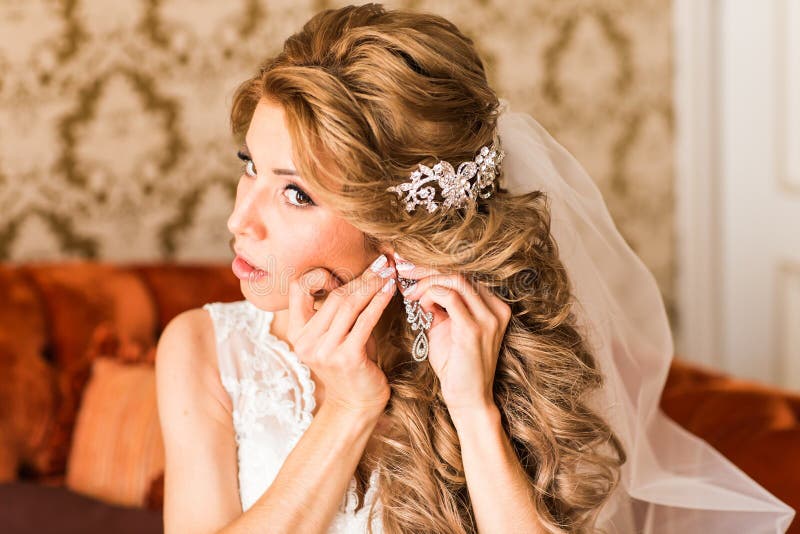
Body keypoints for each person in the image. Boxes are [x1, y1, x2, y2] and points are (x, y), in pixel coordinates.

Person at [154, 3, 796, 534]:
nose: (242, 219)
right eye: (249, 168)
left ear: (396, 224)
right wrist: (347, 410)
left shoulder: (507, 346)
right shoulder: (205, 350)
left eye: (296, 194)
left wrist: (473, 407)